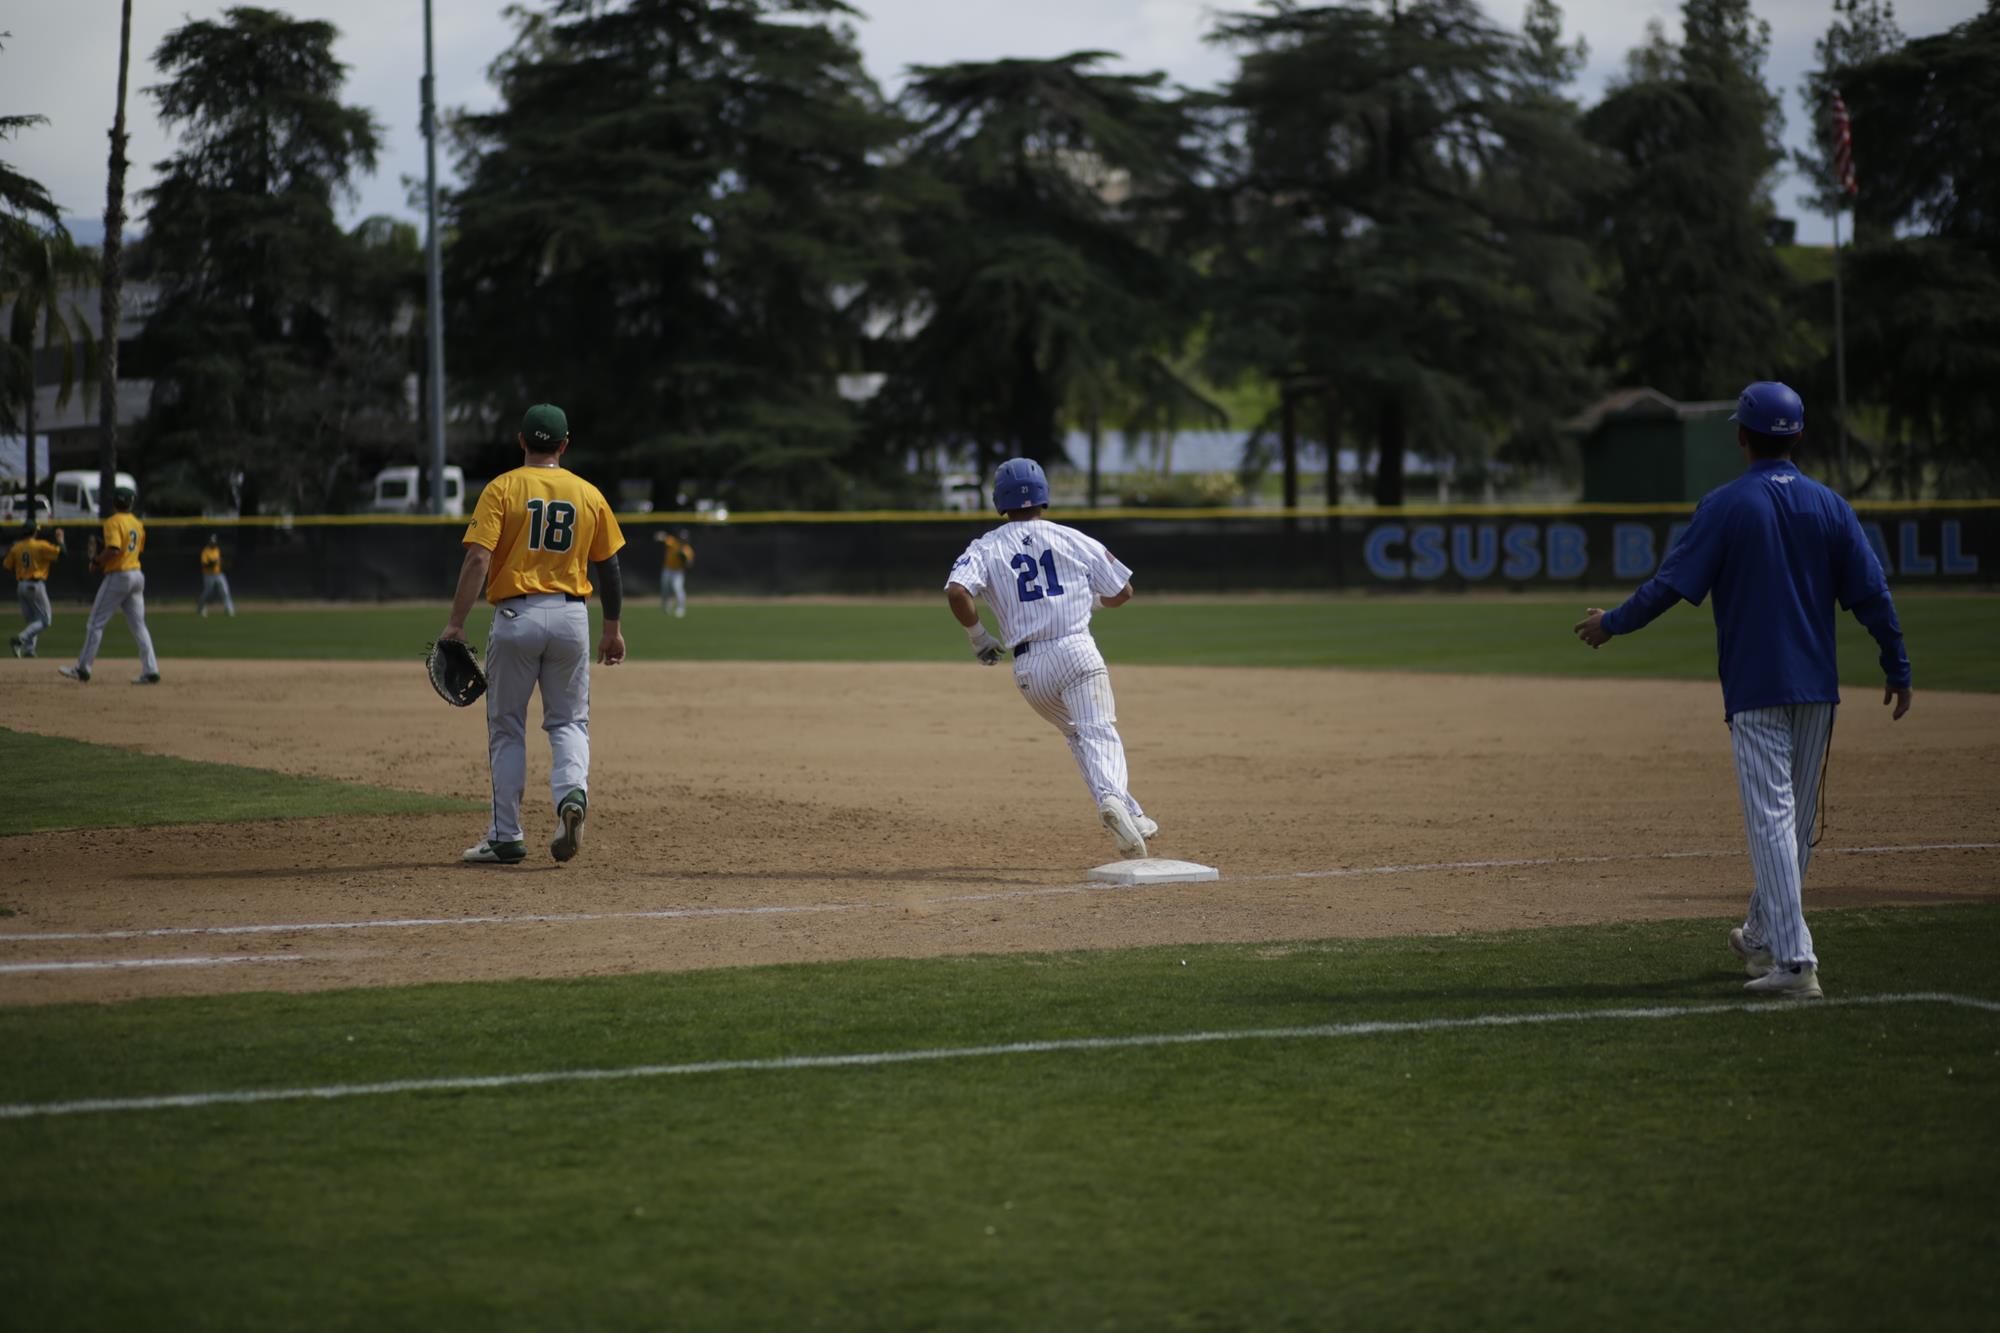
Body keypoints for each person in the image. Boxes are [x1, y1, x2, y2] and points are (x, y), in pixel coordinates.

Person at [1573, 381, 1912, 1000]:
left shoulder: (1727, 505)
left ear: (1741, 436)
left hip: (1756, 687)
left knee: (1775, 820)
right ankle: (1761, 934)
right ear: (1799, 436)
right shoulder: (1831, 505)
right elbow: (1872, 594)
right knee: (1796, 821)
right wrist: (1897, 664)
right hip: (1817, 688)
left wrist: (1610, 624)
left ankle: (1795, 961)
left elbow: (1669, 586)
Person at [944, 457, 1159, 859]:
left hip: (1029, 671)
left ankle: (1131, 812)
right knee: (1098, 732)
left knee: (1079, 736)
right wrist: (1087, 601)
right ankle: (1113, 800)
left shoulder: (985, 547)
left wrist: (978, 637)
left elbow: (957, 591)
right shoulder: (1072, 538)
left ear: (999, 500)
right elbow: (1124, 591)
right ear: (1044, 495)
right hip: (1076, 651)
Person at [441, 402, 627, 865]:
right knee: (568, 722)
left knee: (507, 728)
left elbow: (478, 559)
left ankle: (506, 835)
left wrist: (456, 623)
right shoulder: (588, 493)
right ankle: (571, 797)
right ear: (564, 445)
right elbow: (609, 566)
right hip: (571, 618)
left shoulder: (503, 487)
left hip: (516, 617)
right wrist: (613, 629)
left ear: (521, 441)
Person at [59, 485, 161, 685]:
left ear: (114, 502)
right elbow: (134, 548)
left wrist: (97, 561)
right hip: (137, 575)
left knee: (95, 623)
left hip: (119, 576)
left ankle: (82, 669)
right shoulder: (137, 524)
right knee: (139, 626)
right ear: (131, 503)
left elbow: (114, 550)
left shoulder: (113, 522)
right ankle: (151, 670)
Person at [6, 522, 63, 658]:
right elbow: (62, 554)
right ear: (34, 532)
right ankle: (20, 638)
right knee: (45, 620)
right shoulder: (40, 545)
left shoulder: (16, 547)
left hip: (21, 586)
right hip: (35, 585)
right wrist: (60, 540)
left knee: (32, 621)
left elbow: (6, 566)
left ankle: (30, 650)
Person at [654, 527, 694, 617]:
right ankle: (666, 606)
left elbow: (689, 565)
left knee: (678, 589)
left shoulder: (688, 550)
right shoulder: (673, 542)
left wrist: (685, 560)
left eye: (685, 538)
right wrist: (659, 536)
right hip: (667, 569)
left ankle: (681, 608)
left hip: (678, 572)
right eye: (682, 537)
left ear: (687, 539)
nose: (683, 539)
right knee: (665, 589)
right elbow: (662, 537)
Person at [197, 533, 236, 618]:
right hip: (208, 575)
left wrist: (223, 563)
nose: (213, 543)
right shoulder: (205, 551)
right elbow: (205, 565)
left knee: (225, 590)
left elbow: (219, 563)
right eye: (212, 542)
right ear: (209, 542)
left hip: (218, 574)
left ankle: (230, 609)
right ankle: (200, 608)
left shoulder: (217, 550)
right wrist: (214, 562)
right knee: (207, 592)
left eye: (214, 542)